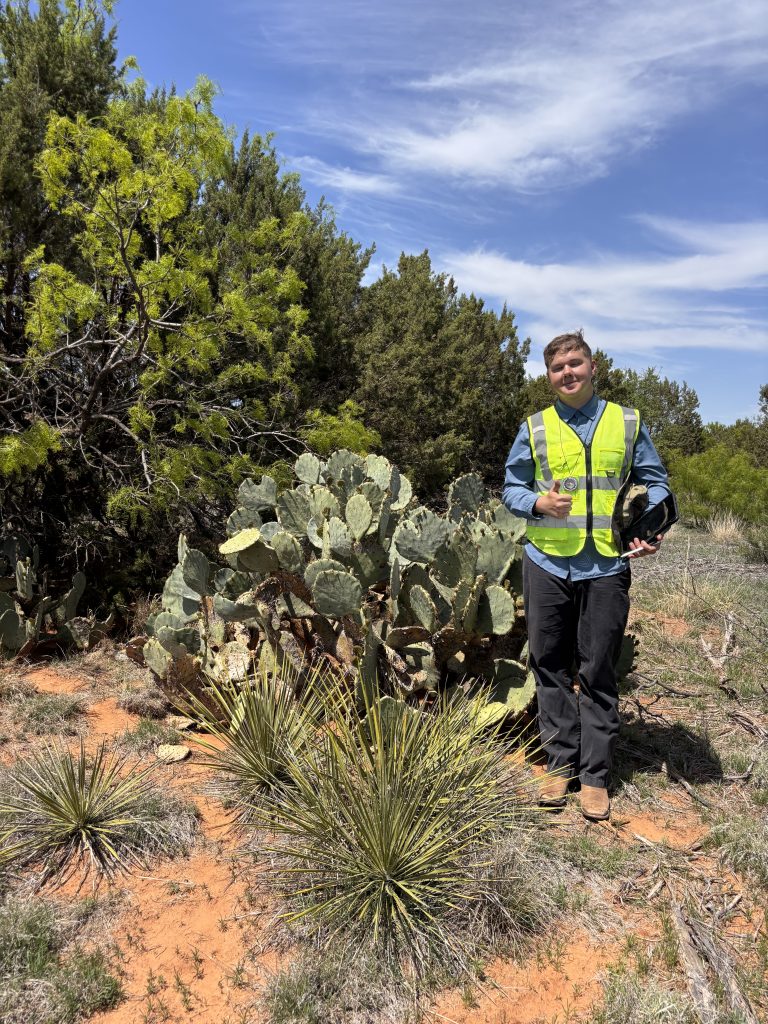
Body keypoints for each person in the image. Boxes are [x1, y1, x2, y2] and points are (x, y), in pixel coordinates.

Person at [502, 331, 670, 820]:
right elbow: (511, 487)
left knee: (597, 668)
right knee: (550, 663)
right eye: (558, 368)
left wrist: (649, 527)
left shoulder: (627, 421)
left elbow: (654, 483)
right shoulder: (534, 427)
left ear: (593, 367)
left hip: (607, 564)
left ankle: (595, 776)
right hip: (547, 563)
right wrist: (537, 502)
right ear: (549, 376)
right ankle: (559, 763)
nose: (568, 373)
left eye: (575, 363)